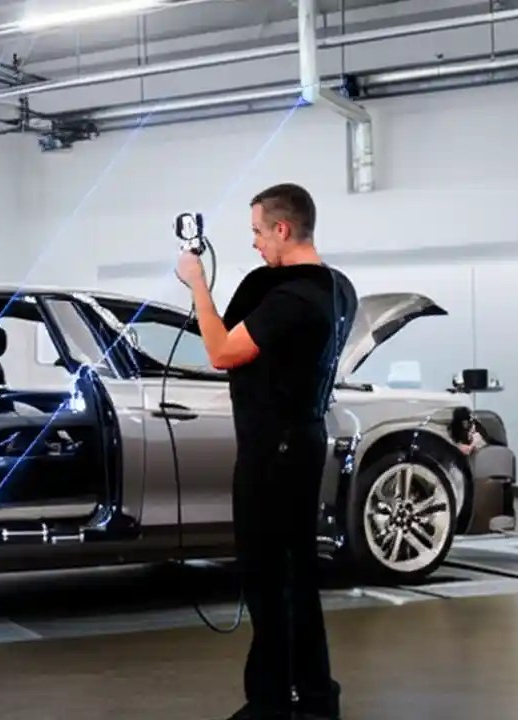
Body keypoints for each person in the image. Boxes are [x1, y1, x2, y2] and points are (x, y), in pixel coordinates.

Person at [175, 183, 357, 720]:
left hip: (271, 454)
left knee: (266, 578)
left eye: (257, 231)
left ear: (282, 228)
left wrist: (197, 285)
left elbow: (221, 350)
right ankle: (317, 695)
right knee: (298, 574)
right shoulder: (337, 288)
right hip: (303, 441)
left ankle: (271, 702)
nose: (254, 243)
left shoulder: (290, 299)